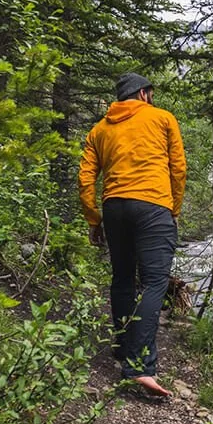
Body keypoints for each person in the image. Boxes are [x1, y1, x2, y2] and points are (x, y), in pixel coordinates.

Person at [78, 72, 186, 397]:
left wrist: (94, 219)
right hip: (153, 205)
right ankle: (139, 366)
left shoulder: (99, 130)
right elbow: (178, 168)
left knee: (123, 278)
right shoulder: (163, 118)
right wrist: (173, 209)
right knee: (154, 282)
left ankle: (123, 347)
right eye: (150, 94)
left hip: (114, 208)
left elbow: (85, 179)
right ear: (143, 94)